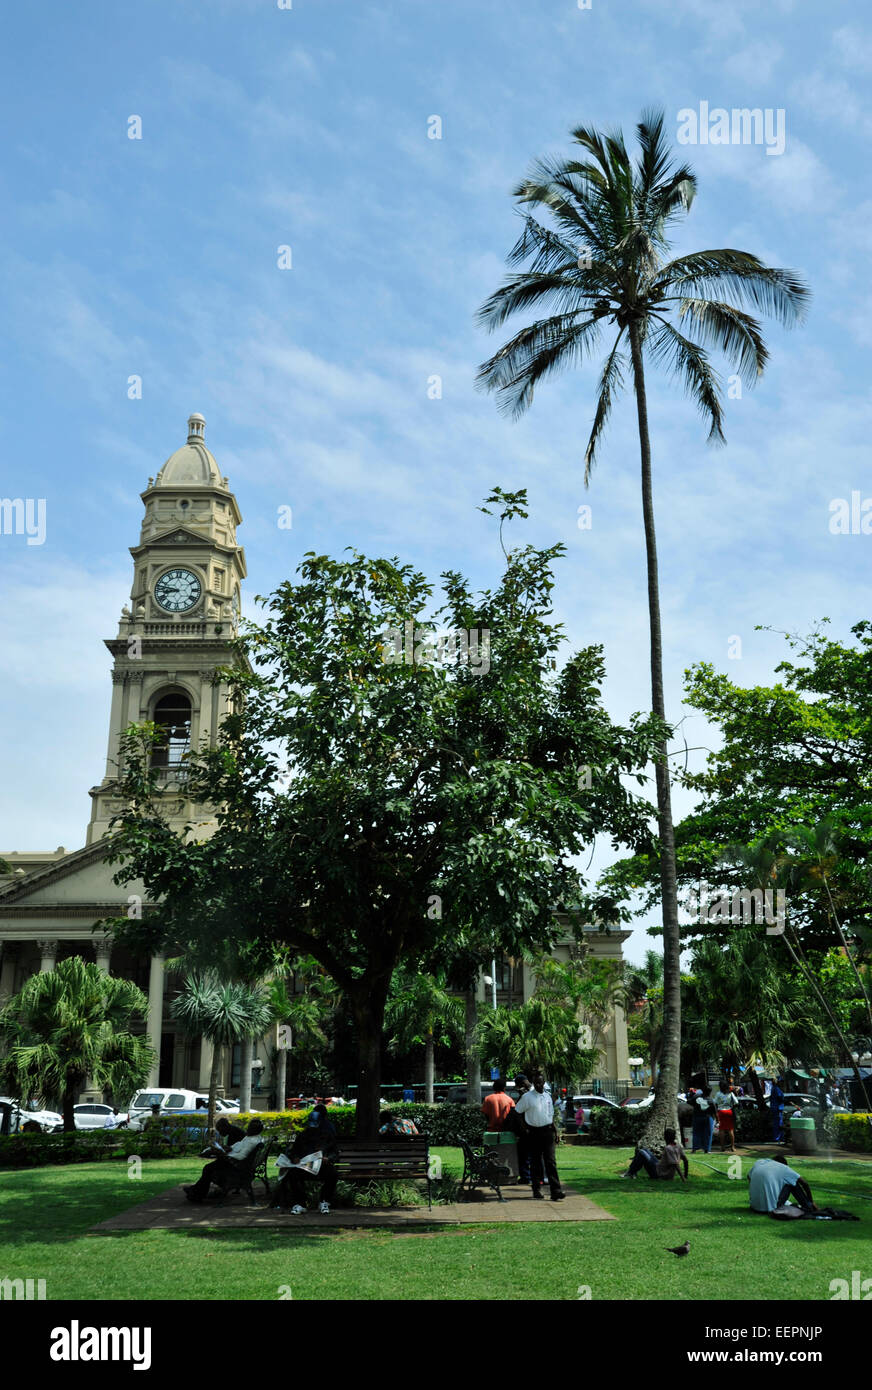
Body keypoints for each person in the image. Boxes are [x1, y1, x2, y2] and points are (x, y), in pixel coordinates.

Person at [274, 1103, 339, 1214]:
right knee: (293, 1174)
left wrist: (328, 1159)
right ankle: (300, 1203)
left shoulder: (327, 1135)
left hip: (321, 1167)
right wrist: (295, 1157)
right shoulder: (303, 1135)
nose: (313, 1128)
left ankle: (324, 1201)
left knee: (333, 1174)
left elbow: (335, 1153)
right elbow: (294, 1151)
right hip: (303, 1167)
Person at [183, 1119, 265, 1202]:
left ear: (254, 1130)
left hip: (238, 1167)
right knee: (209, 1167)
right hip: (237, 1163)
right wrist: (228, 1149)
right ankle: (196, 1191)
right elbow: (238, 1145)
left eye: (250, 1128)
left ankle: (197, 1193)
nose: (247, 1129)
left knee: (208, 1168)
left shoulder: (251, 1140)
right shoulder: (251, 1138)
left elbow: (241, 1156)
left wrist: (225, 1155)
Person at [516, 1070, 565, 1201]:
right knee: (536, 1162)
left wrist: (556, 1131)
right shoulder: (527, 1097)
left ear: (544, 1083)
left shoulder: (548, 1097)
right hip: (533, 1132)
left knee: (551, 1162)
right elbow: (517, 1112)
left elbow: (550, 1116)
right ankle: (536, 1189)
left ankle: (556, 1191)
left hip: (547, 1132)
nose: (539, 1085)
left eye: (541, 1082)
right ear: (533, 1083)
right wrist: (524, 1128)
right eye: (536, 1083)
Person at [748, 1154, 816, 1214]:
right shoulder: (783, 1168)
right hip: (771, 1209)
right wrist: (811, 1201)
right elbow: (804, 1183)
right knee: (793, 1183)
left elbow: (749, 1176)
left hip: (754, 1207)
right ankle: (809, 1206)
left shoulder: (760, 1162)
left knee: (789, 1181)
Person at [622, 1127, 688, 1182]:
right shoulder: (678, 1146)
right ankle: (632, 1172)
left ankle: (630, 1172)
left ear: (665, 1137)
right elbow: (686, 1160)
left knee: (641, 1152)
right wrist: (686, 1175)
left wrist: (683, 1179)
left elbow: (675, 1164)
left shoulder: (668, 1148)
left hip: (659, 1174)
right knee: (645, 1150)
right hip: (658, 1166)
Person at [690, 1085, 716, 1153]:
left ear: (702, 1090)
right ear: (710, 1092)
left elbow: (689, 1102)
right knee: (708, 1134)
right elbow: (714, 1111)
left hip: (697, 1117)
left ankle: (694, 1149)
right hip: (708, 1118)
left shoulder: (696, 1097)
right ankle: (707, 1149)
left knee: (696, 1133)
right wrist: (718, 1120)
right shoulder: (710, 1100)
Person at [713, 1082, 736, 1154]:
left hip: (721, 1112)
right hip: (729, 1111)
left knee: (721, 1130)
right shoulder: (730, 1093)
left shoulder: (718, 1094)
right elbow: (736, 1102)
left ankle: (722, 1147)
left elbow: (715, 1102)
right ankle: (732, 1147)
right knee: (730, 1130)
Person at [769, 1076, 785, 1143]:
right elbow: (779, 1097)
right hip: (777, 1108)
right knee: (779, 1124)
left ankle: (778, 1137)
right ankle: (778, 1137)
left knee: (776, 1123)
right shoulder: (776, 1089)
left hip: (775, 1108)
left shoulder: (773, 1088)